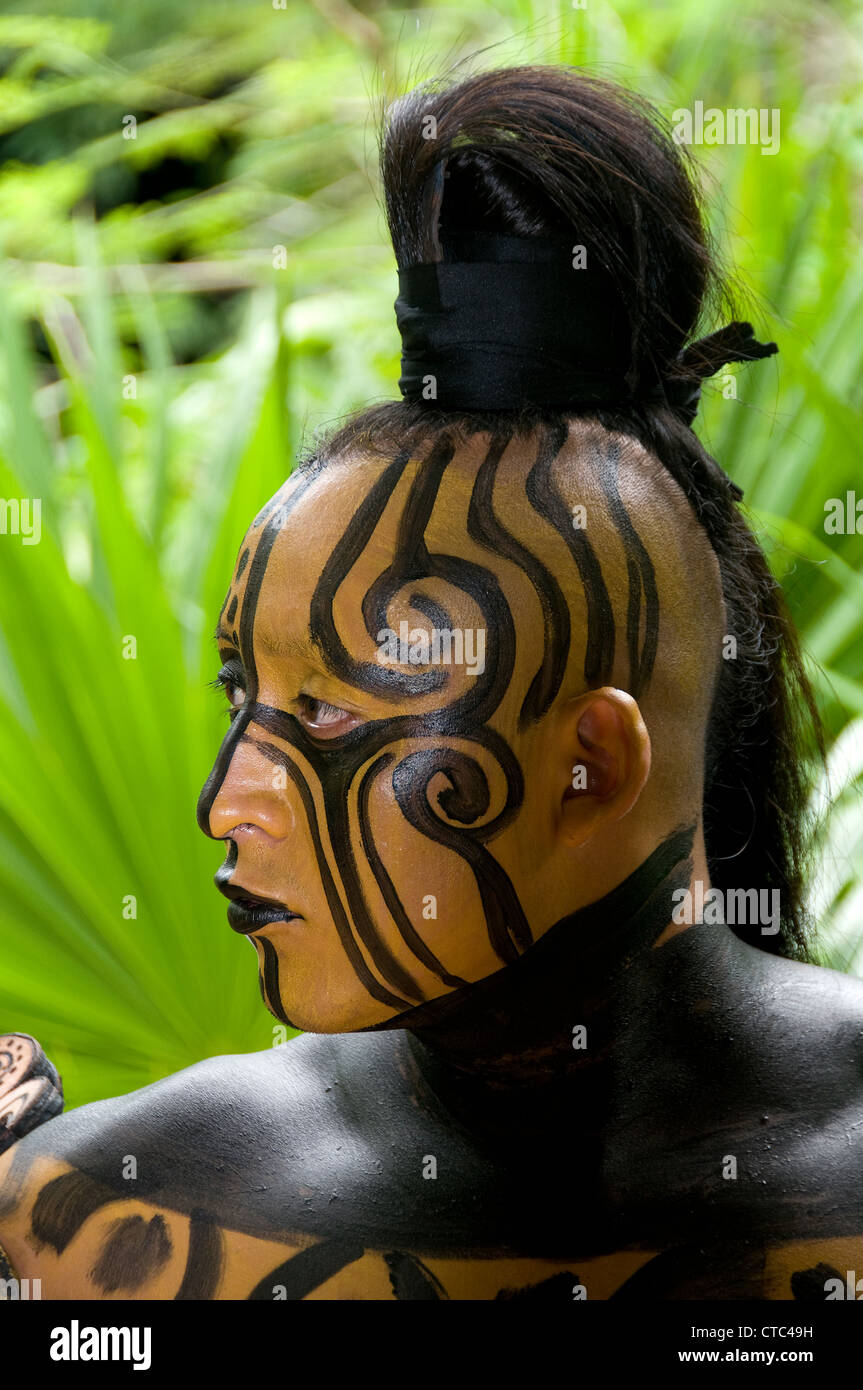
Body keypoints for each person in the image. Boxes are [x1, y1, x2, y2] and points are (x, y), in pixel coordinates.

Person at [2, 64, 862, 1302]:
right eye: (243, 692)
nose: (224, 801)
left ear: (593, 765)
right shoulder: (90, 1219)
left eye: (334, 713)